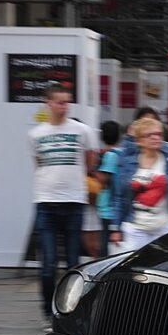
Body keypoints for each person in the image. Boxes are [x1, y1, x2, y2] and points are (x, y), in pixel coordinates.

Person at [30, 84, 98, 322]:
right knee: (47, 263)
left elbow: (90, 162)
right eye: (59, 102)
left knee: (72, 262)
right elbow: (38, 162)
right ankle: (48, 311)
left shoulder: (83, 131)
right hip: (46, 202)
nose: (63, 107)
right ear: (47, 103)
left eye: (67, 102)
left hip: (73, 201)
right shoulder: (35, 134)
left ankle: (71, 310)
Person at [110, 116, 168, 251]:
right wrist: (116, 228)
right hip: (135, 229)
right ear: (139, 141)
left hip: (165, 227)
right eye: (149, 135)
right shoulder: (127, 163)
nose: (156, 138)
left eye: (159, 134)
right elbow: (119, 198)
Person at [94, 120, 122, 256]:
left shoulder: (110, 155)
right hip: (114, 207)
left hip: (108, 208)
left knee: (106, 248)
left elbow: (104, 179)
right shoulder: (121, 153)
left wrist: (93, 169)